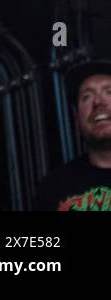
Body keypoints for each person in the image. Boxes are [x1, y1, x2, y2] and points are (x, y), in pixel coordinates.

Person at [34, 59, 111, 210]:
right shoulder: (54, 188)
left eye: (109, 92)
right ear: (77, 120)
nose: (98, 102)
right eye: (86, 97)